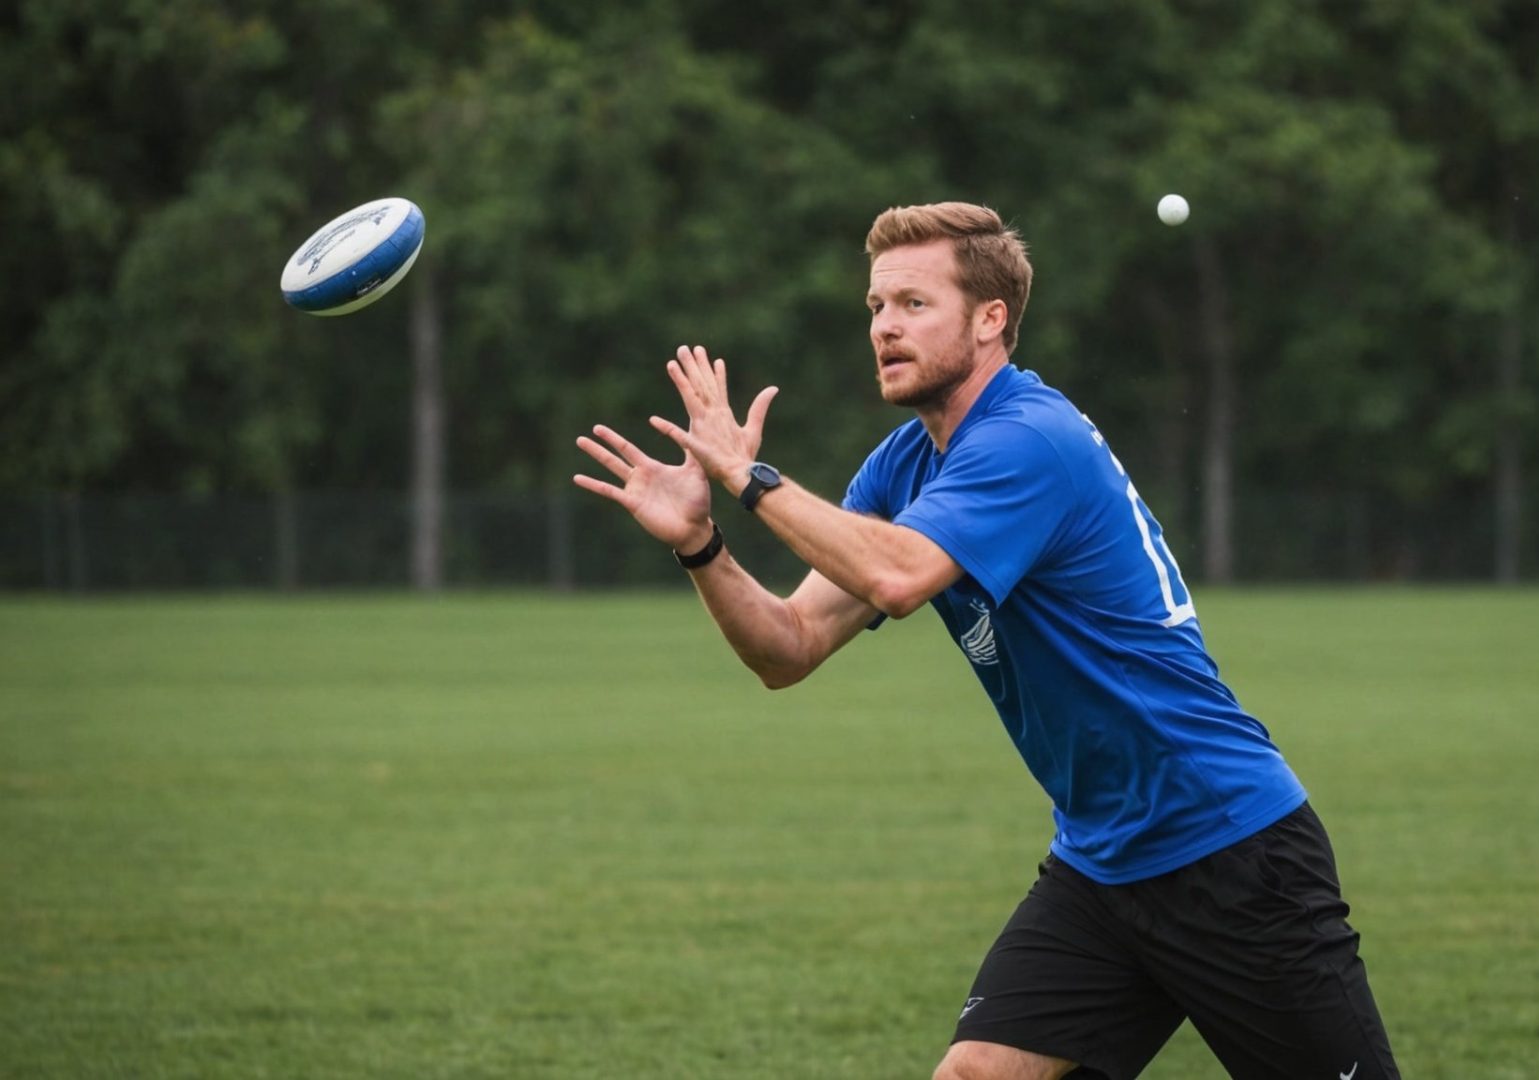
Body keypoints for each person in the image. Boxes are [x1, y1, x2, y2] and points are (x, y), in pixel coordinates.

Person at [573, 202, 1400, 1080]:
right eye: (875, 307)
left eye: (913, 304)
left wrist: (748, 476)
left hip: (1231, 852)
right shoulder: (904, 463)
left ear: (991, 320)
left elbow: (897, 575)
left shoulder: (1027, 439)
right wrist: (699, 545)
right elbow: (791, 645)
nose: (885, 326)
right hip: (1103, 865)